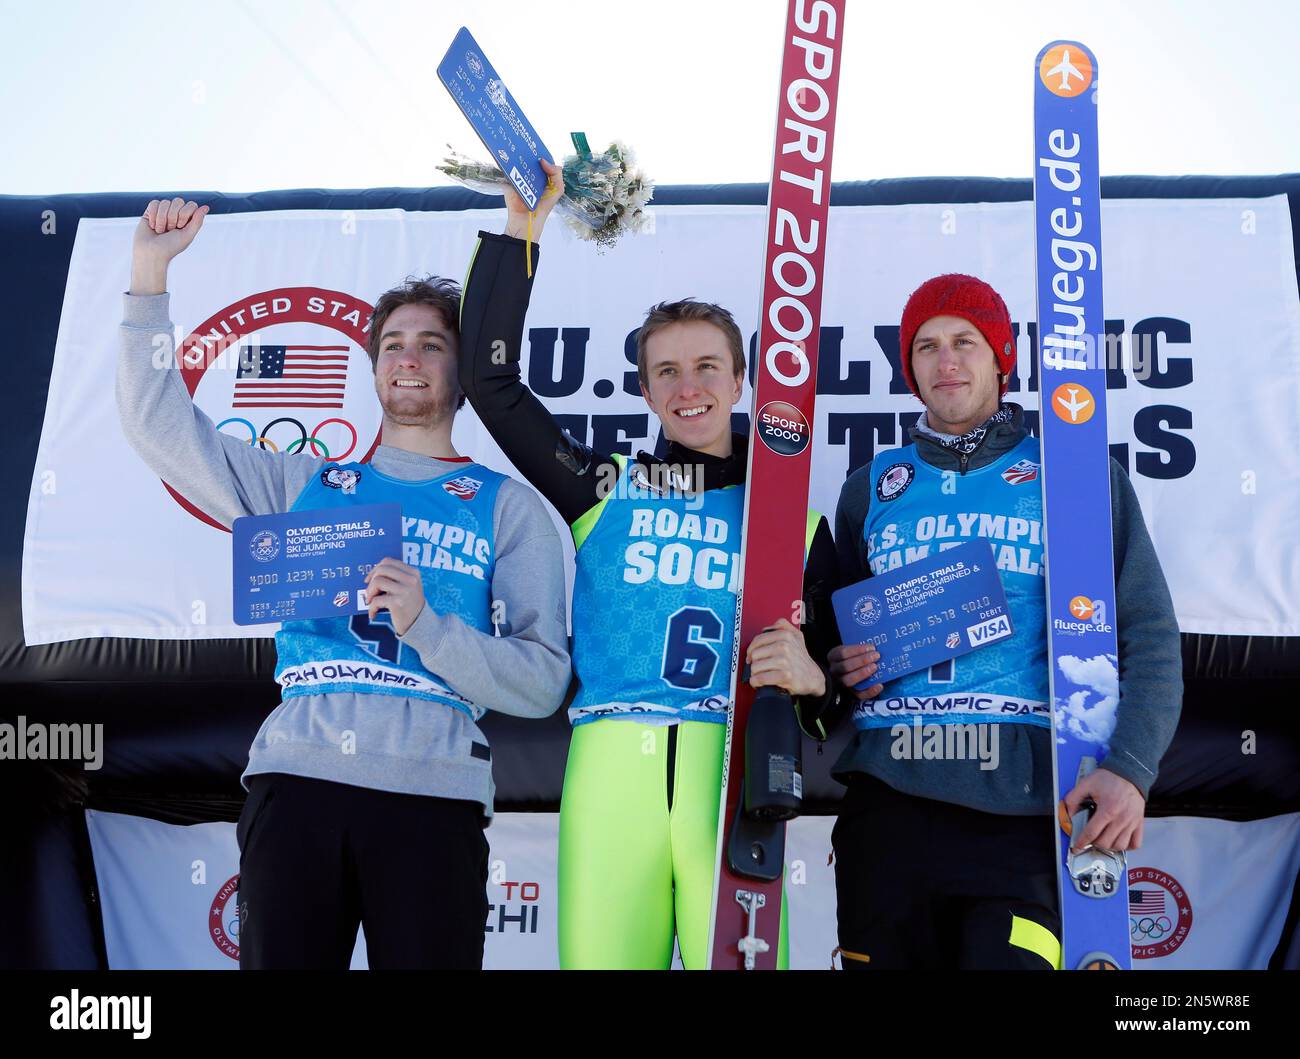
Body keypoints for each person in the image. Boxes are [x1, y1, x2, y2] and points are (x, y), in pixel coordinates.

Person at [117, 197, 571, 969]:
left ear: (461, 369)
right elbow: (159, 428)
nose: (409, 358)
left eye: (432, 344)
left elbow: (541, 683)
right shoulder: (306, 481)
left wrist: (428, 624)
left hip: (434, 796)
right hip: (299, 783)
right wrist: (148, 276)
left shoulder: (508, 504)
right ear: (373, 369)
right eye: (393, 343)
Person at [458, 163, 839, 969]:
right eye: (666, 370)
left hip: (730, 770)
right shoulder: (605, 486)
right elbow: (491, 385)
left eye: (707, 367)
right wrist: (521, 230)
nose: (689, 386)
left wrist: (813, 679)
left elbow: (842, 686)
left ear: (740, 379)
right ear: (644, 388)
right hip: (609, 765)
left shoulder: (794, 523)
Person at [826, 273, 1183, 970]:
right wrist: (841, 668)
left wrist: (1132, 769)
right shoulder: (870, 486)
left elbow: (1148, 631)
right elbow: (836, 644)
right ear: (910, 368)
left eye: (965, 341)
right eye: (926, 346)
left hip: (1024, 809)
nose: (946, 361)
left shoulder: (1073, 470)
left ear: (1001, 358)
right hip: (890, 806)